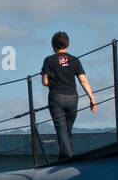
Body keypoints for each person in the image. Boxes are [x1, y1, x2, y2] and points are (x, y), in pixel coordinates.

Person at [40, 31, 97, 160]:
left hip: (56, 97)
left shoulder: (49, 60)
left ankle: (67, 158)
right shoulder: (74, 60)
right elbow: (83, 80)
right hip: (73, 97)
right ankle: (64, 156)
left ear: (53, 45)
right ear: (67, 44)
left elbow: (44, 81)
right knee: (67, 129)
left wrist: (50, 84)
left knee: (61, 130)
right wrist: (92, 99)